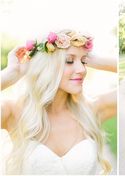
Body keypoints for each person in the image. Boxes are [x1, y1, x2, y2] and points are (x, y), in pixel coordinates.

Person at [1, 29, 117, 174]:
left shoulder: (92, 109)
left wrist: (98, 61)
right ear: (46, 66)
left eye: (83, 61)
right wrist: (10, 74)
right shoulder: (12, 111)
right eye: (69, 61)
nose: (82, 69)